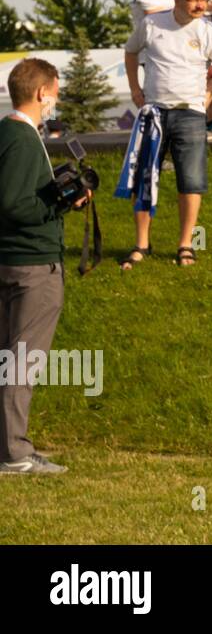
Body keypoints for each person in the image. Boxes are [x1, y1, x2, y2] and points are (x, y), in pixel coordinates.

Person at [0, 59, 89, 475]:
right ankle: (15, 454)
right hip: (32, 265)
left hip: (13, 260)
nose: (56, 97)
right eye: (56, 89)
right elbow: (15, 203)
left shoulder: (9, 133)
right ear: (42, 93)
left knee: (9, 358)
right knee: (22, 361)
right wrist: (58, 200)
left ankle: (9, 448)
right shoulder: (20, 137)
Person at [120, 0, 212, 269]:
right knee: (144, 179)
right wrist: (135, 89)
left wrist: (209, 97)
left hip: (191, 114)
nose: (200, 5)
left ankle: (187, 245)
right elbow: (130, 51)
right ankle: (141, 244)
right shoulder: (151, 24)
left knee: (191, 181)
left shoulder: (209, 31)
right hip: (153, 112)